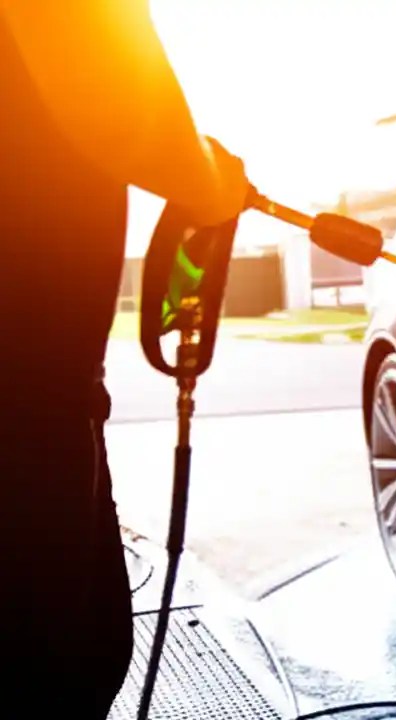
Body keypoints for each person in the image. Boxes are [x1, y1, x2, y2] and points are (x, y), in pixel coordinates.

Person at [0, 1, 249, 715]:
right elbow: (118, 101)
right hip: (27, 390)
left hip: (40, 384)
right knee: (59, 657)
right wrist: (211, 180)